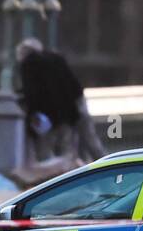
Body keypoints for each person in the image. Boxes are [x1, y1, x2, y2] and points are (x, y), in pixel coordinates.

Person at [15, 37, 105, 165]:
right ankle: (108, 167)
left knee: (52, 152)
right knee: (90, 141)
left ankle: (61, 178)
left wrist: (32, 118)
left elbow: (32, 93)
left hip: (54, 116)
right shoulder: (56, 59)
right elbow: (72, 86)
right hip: (74, 108)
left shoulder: (28, 64)